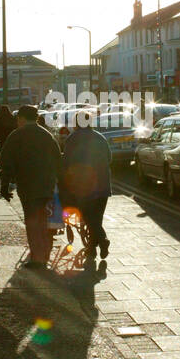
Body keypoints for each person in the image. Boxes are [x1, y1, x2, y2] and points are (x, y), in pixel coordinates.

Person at [0, 104, 61, 268]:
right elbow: (58, 159)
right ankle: (44, 254)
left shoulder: (16, 135)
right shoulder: (46, 135)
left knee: (33, 222)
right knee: (43, 220)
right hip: (47, 187)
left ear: (21, 118)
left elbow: (5, 162)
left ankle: (37, 258)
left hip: (28, 187)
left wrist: (5, 186)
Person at [59, 111, 112, 260]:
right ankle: (92, 250)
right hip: (103, 185)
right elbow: (109, 158)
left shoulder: (73, 139)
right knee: (96, 218)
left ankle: (102, 240)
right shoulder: (100, 137)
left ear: (77, 123)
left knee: (88, 217)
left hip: (84, 185)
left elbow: (66, 162)